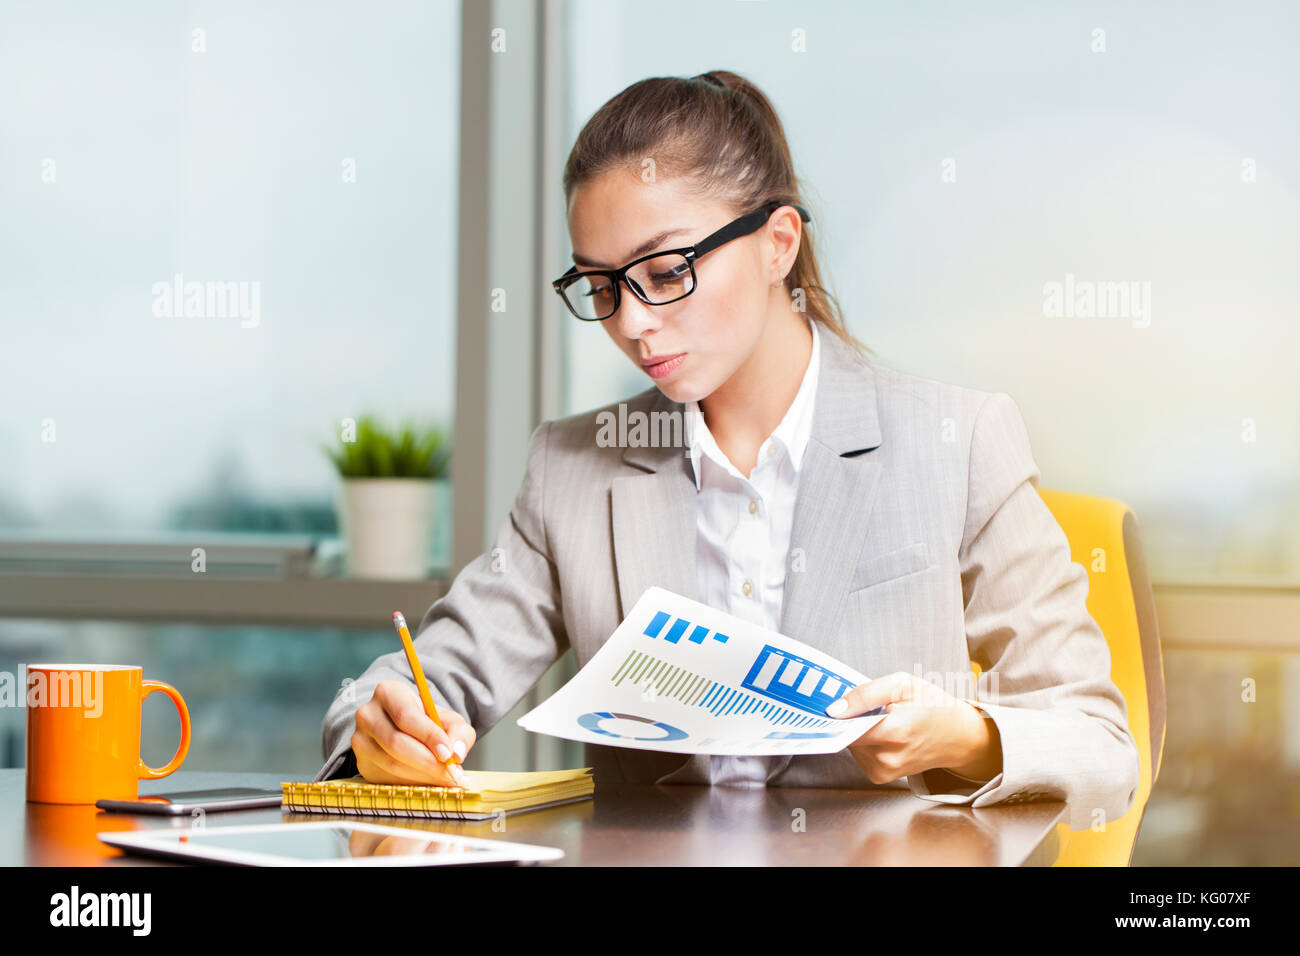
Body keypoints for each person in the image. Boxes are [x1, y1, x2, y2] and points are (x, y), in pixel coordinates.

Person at [318, 70, 1139, 831]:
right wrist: (383, 730)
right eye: (601, 286)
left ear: (778, 242)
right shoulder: (574, 469)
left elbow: (1101, 747)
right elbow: (425, 679)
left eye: (667, 270)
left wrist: (963, 738)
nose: (632, 323)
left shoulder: (955, 445)